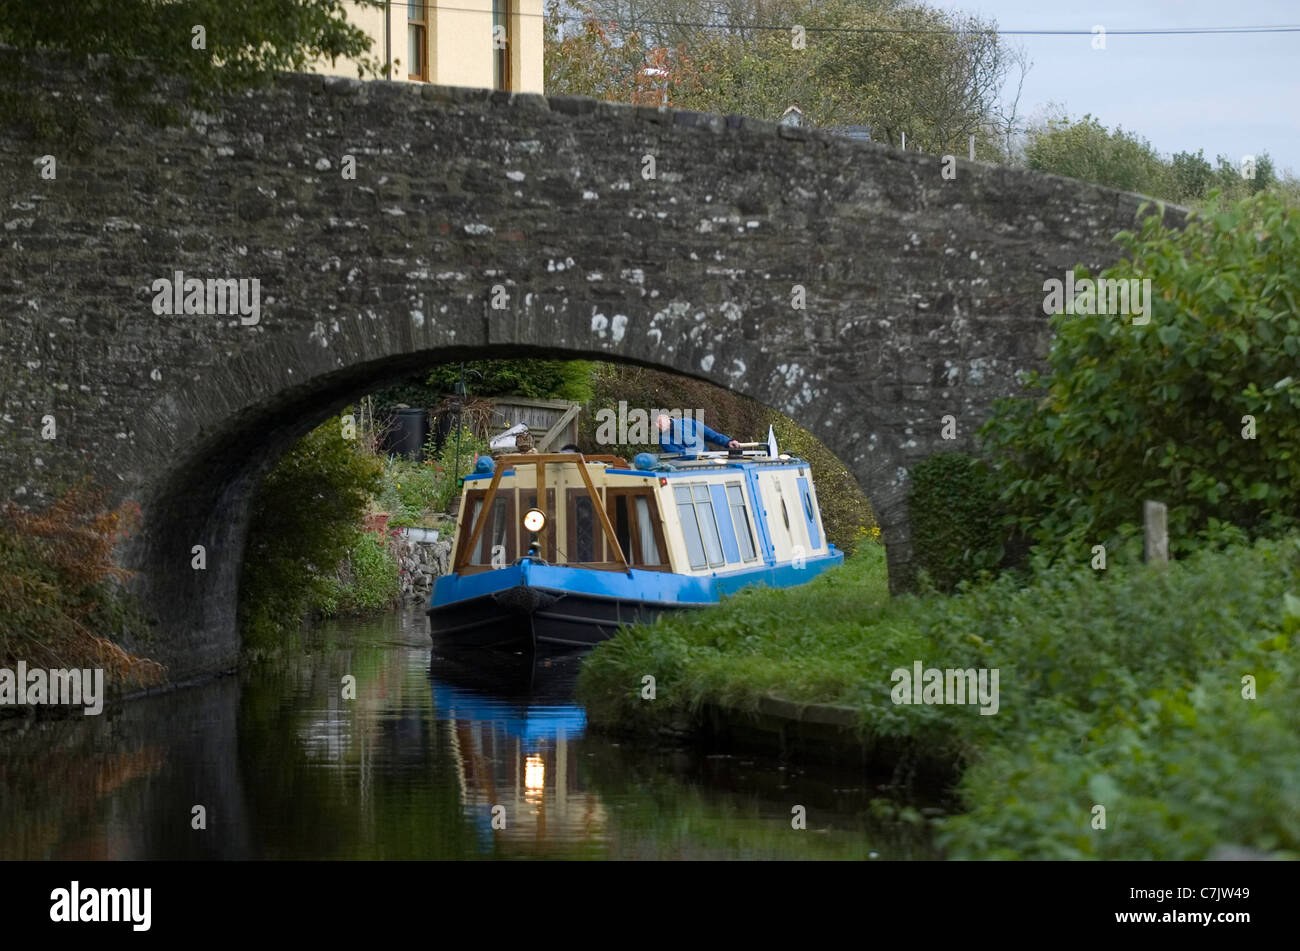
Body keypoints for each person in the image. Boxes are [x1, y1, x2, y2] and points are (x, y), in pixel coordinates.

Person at [656, 414, 740, 454]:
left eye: (660, 423)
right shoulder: (663, 440)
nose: (658, 426)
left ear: (668, 419)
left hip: (706, 459)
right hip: (686, 467)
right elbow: (677, 454)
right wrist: (695, 452)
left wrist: (728, 442)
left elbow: (709, 434)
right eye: (656, 424)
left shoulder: (687, 422)